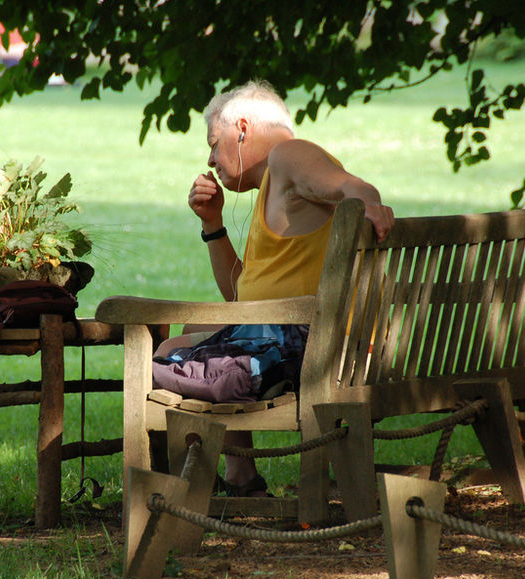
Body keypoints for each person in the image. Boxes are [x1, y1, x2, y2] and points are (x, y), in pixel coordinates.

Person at [158, 80, 395, 497]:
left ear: (243, 129)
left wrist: (367, 201)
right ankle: (240, 477)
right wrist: (212, 224)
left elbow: (348, 187)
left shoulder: (289, 155)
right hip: (309, 341)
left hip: (315, 352)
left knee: (161, 353)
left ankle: (183, 488)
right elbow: (239, 297)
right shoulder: (272, 189)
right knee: (187, 333)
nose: (210, 159)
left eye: (214, 144)